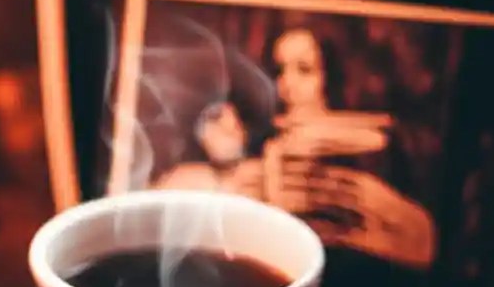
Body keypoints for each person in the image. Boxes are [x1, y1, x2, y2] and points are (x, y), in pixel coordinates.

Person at [153, 23, 435, 268]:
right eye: (280, 70)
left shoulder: (371, 143)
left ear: (330, 75)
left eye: (304, 70)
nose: (288, 84)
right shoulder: (265, 141)